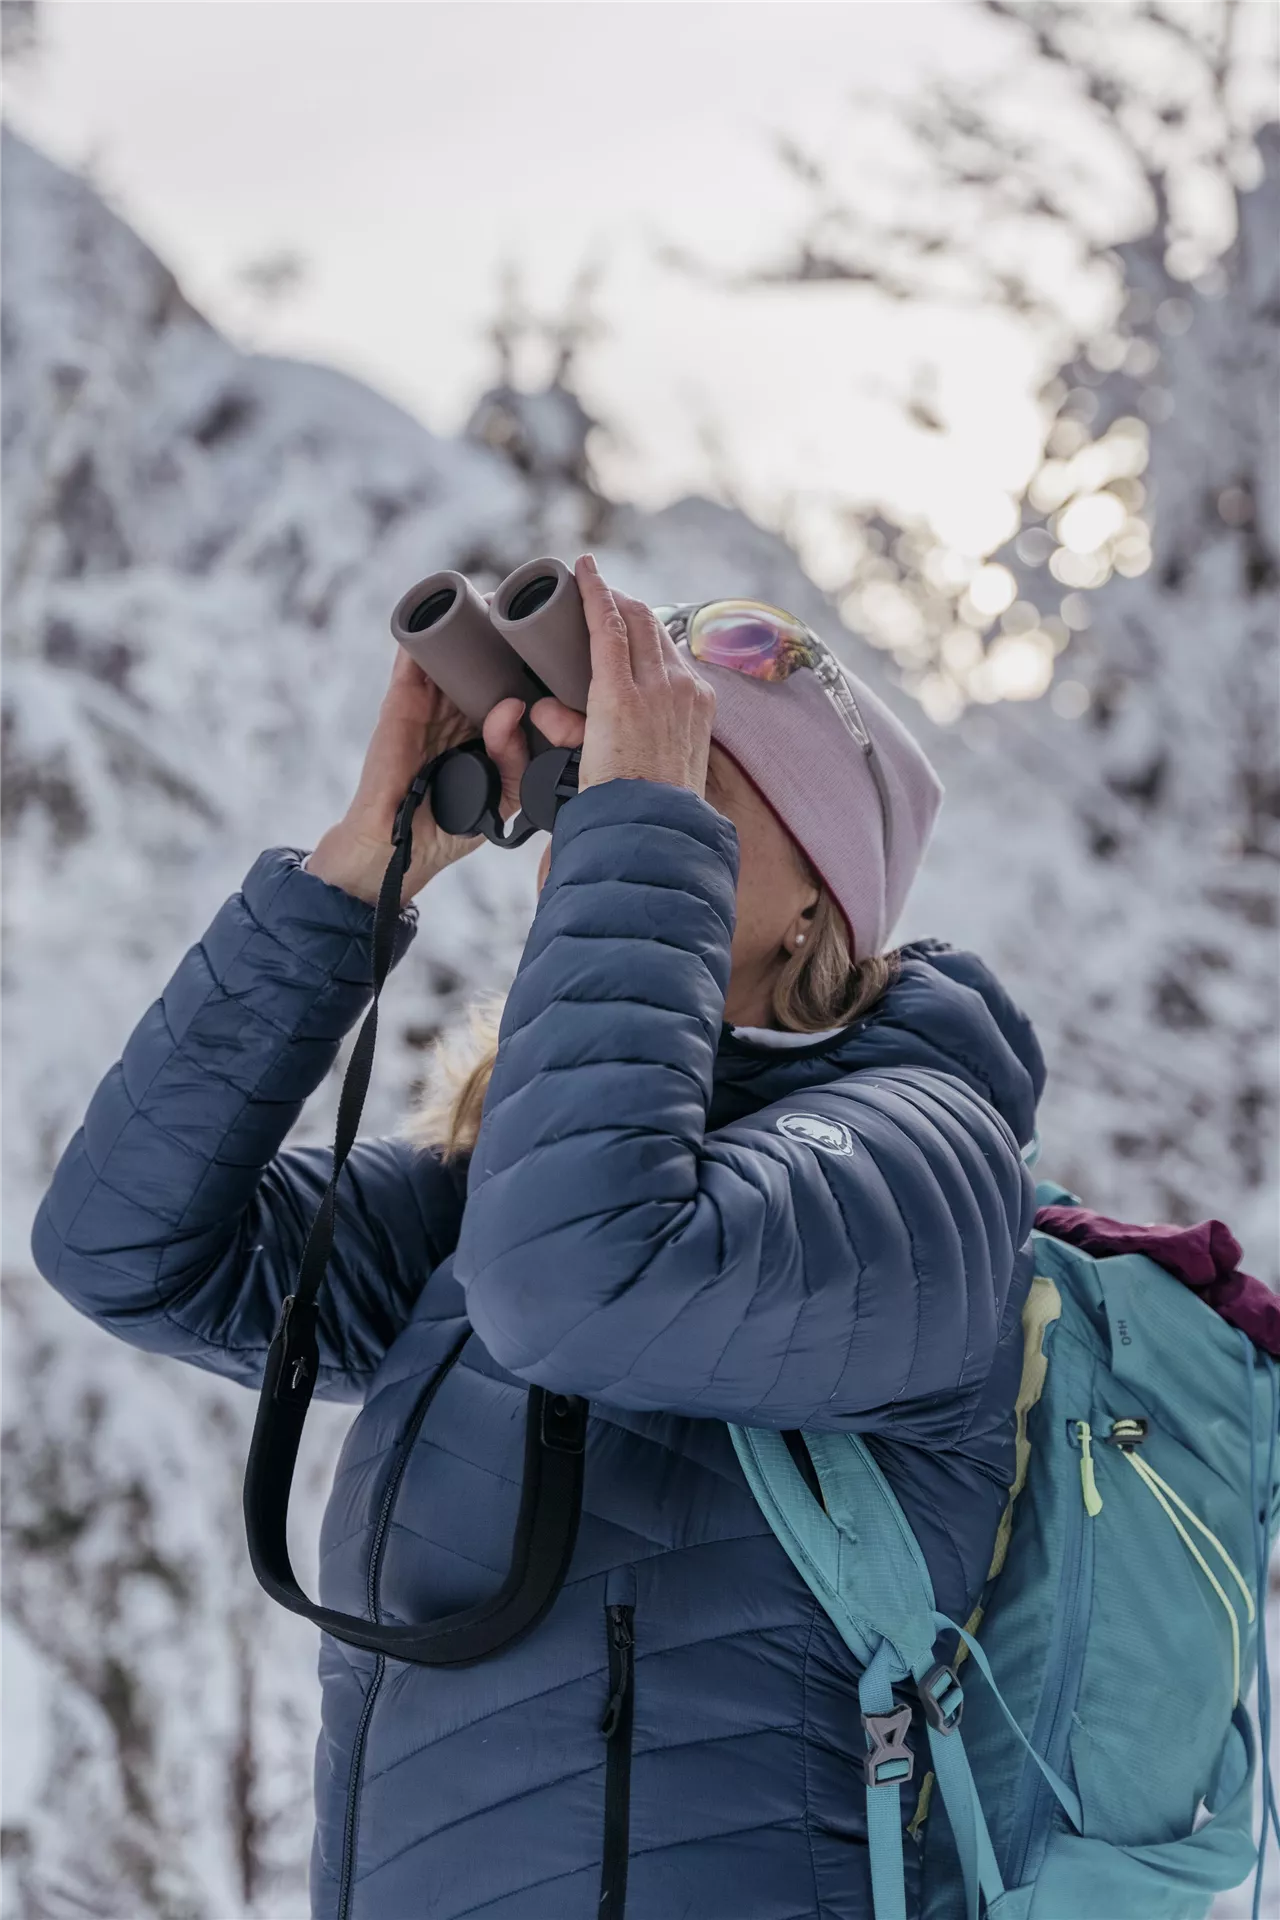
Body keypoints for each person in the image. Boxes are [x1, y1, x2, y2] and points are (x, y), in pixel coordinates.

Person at [32, 555, 1045, 1920]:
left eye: (684, 781)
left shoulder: (927, 1153)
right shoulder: (512, 1188)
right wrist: (357, 869)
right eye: (593, 778)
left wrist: (638, 831)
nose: (605, 817)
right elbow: (127, 1246)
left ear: (823, 898)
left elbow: (584, 1282)